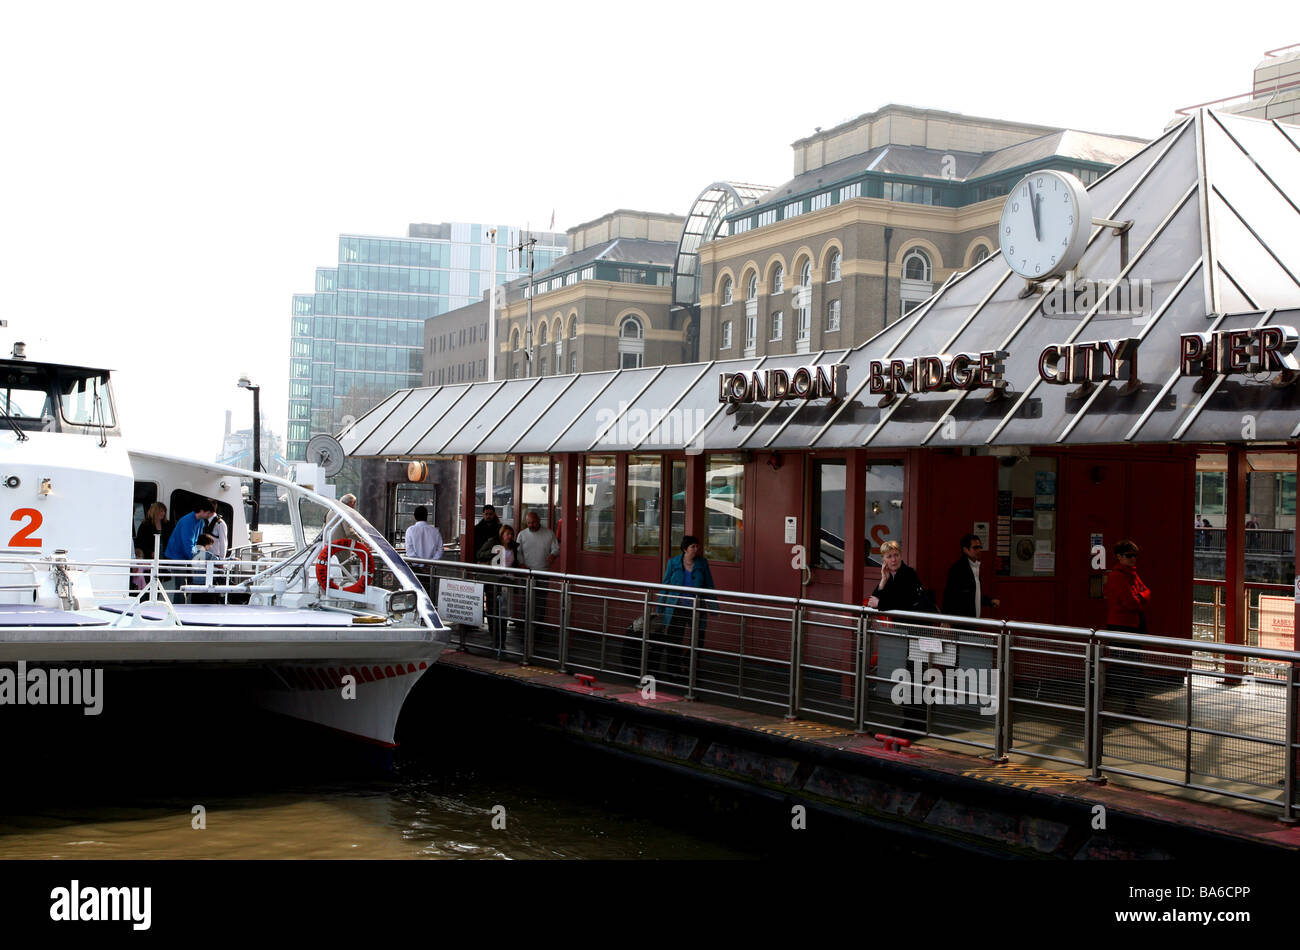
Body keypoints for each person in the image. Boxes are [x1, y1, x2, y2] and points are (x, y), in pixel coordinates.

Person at [656, 536, 716, 678]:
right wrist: (660, 607)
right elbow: (665, 585)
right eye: (693, 547)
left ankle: (689, 664)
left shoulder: (702, 563)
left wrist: (713, 607)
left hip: (696, 607)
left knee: (698, 638)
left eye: (697, 546)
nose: (696, 549)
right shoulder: (673, 562)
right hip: (676, 606)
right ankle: (673, 670)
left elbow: (709, 585)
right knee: (674, 639)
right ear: (685, 549)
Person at [1103, 539, 1150, 714]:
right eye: (1129, 556)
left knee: (1128, 664)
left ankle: (1128, 704)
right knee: (1127, 665)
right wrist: (1141, 597)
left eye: (1135, 556)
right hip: (1123, 626)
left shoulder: (1130, 574)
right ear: (1119, 557)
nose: (1133, 559)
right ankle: (1128, 704)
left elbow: (1144, 593)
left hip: (1127, 625)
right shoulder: (1119, 576)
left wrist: (1140, 597)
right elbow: (1132, 602)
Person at [518, 510, 559, 642]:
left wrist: (553, 555)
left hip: (542, 573)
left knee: (540, 604)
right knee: (526, 603)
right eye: (529, 523)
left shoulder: (549, 533)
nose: (531, 525)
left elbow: (556, 548)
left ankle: (538, 632)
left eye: (533, 522)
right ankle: (526, 632)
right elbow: (518, 552)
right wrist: (521, 564)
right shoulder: (522, 535)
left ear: (539, 520)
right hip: (527, 574)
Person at [478, 524, 520, 650]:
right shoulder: (493, 543)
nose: (510, 537)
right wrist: (492, 553)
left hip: (507, 581)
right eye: (508, 534)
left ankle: (502, 638)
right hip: (493, 581)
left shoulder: (514, 547)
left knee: (503, 610)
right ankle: (494, 637)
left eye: (512, 534)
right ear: (502, 535)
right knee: (493, 609)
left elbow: (515, 562)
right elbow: (479, 554)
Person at [942, 534, 1000, 618]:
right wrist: (946, 618)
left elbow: (974, 594)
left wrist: (989, 601)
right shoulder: (958, 568)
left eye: (980, 547)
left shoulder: (976, 567)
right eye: (975, 548)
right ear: (966, 550)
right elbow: (950, 594)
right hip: (962, 620)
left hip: (973, 618)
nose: (979, 550)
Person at [164, 499, 216, 586]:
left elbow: (198, 542)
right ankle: (180, 600)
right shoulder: (188, 521)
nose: (209, 515)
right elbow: (187, 545)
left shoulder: (200, 521)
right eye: (208, 513)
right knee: (182, 585)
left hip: (185, 556)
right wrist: (197, 561)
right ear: (202, 511)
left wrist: (198, 557)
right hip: (178, 556)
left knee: (187, 583)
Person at [867, 540, 926, 612]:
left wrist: (880, 603)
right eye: (889, 556)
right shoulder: (888, 575)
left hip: (910, 621)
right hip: (894, 621)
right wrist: (883, 580)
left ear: (900, 556)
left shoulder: (909, 573)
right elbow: (873, 601)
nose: (894, 560)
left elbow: (905, 602)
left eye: (896, 555)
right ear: (883, 559)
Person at [189, 532, 220, 604]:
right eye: (210, 544)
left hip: (194, 582)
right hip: (206, 583)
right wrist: (231, 559)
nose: (210, 547)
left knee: (195, 603)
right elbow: (218, 562)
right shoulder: (208, 555)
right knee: (208, 604)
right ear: (206, 544)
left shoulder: (193, 552)